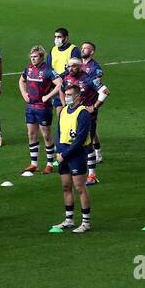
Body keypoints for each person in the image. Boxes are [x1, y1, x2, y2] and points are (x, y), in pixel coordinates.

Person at [50, 83, 92, 234]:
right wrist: (58, 150)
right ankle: (69, 219)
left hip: (76, 154)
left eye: (69, 95)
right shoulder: (63, 111)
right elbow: (58, 133)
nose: (66, 97)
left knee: (80, 188)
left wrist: (64, 155)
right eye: (65, 94)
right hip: (63, 153)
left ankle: (86, 222)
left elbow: (80, 139)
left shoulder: (83, 114)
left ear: (78, 97)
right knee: (66, 187)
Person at [18, 46, 58, 177]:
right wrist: (24, 93)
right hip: (30, 107)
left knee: (46, 135)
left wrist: (48, 96)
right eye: (31, 56)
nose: (33, 59)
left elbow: (60, 83)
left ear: (41, 57)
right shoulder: (28, 69)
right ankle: (34, 164)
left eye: (35, 56)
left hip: (43, 108)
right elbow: (21, 80)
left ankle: (50, 164)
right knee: (31, 134)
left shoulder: (48, 70)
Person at [78, 42, 108, 185]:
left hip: (90, 103)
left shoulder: (95, 68)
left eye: (86, 48)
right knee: (90, 131)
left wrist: (94, 104)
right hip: (78, 103)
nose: (83, 50)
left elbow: (99, 86)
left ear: (92, 52)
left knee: (89, 132)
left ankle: (93, 160)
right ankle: (97, 153)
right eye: (82, 47)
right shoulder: (78, 65)